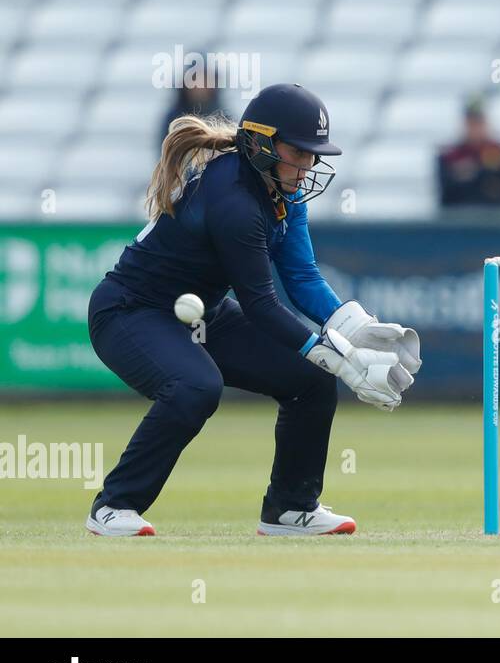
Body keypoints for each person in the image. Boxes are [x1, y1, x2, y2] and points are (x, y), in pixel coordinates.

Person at [85, 84, 422, 537]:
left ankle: (289, 508)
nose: (306, 167)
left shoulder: (282, 191)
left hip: (200, 312)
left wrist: (356, 328)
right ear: (260, 142)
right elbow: (262, 304)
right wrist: (338, 357)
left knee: (309, 381)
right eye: (297, 153)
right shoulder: (234, 201)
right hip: (129, 311)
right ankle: (113, 506)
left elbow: (302, 277)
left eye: (311, 155)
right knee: (195, 386)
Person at [436, 97, 500, 209]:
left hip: (494, 219)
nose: (475, 129)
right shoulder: (449, 155)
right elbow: (448, 188)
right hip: (458, 219)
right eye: (471, 123)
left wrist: (470, 171)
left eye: (479, 122)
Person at [158, 54, 226, 146]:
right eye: (195, 78)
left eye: (204, 80)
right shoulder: (173, 118)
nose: (200, 85)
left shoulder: (224, 117)